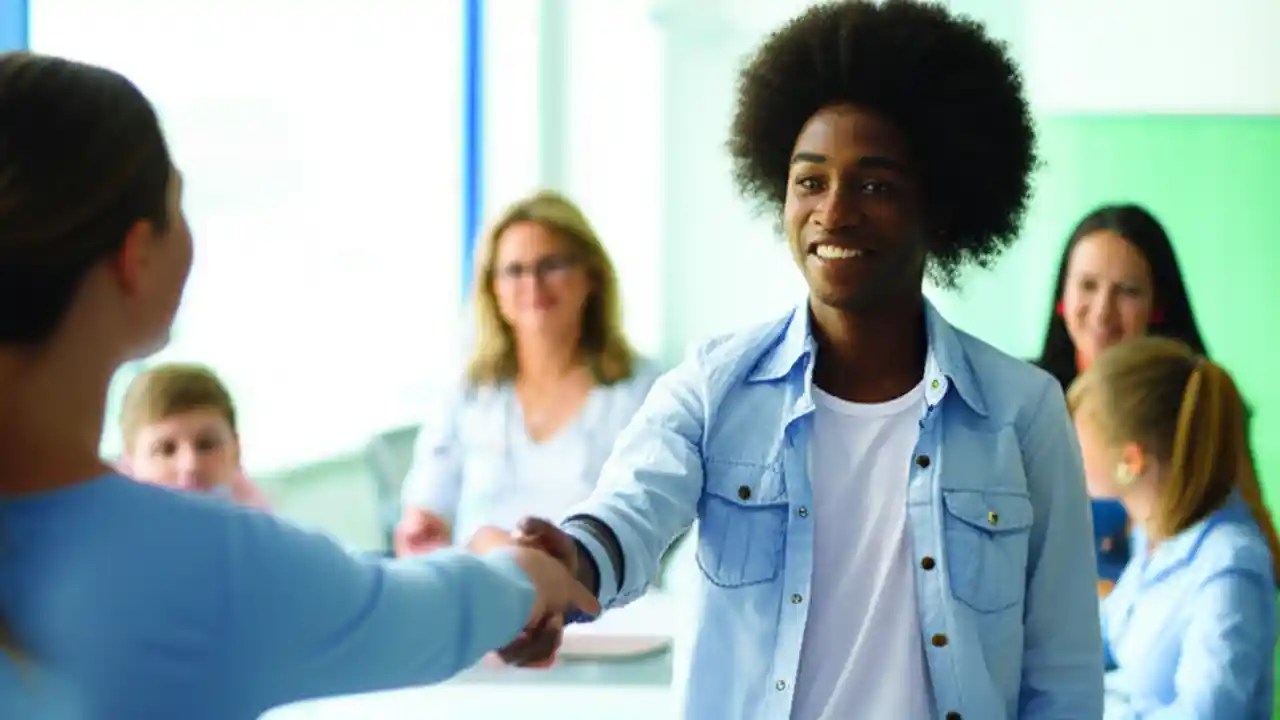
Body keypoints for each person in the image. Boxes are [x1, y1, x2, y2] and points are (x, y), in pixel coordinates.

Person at [509, 2, 1102, 718]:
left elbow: (1063, 672)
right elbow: (627, 515)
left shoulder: (1023, 411)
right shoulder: (712, 387)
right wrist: (567, 562)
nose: (835, 211)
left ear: (939, 206)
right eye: (810, 181)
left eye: (876, 185)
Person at [0, 51, 597, 720]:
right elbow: (418, 613)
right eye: (178, 203)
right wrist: (525, 576)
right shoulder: (206, 565)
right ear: (136, 256)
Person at [395, 191, 657, 556]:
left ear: (591, 276)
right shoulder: (469, 390)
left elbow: (644, 527)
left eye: (551, 265)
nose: (532, 284)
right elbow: (426, 509)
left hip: (591, 601)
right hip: (481, 589)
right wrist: (422, 530)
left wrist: (524, 558)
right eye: (514, 270)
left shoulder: (640, 391)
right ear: (493, 288)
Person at [1032, 204, 1275, 593]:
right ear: (1063, 295)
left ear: (1158, 307)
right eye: (1088, 285)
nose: (1102, 311)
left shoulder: (1199, 404)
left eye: (1128, 291)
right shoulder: (1018, 398)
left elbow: (1258, 547)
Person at [1068, 337, 1278, 718]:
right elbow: (1103, 636)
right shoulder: (1157, 537)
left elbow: (1207, 714)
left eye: (1075, 436)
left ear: (1129, 461)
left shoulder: (1230, 568)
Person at [117, 362, 269, 509]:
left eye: (207, 445)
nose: (190, 465)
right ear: (130, 463)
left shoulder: (264, 531)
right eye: (166, 449)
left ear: (236, 451)